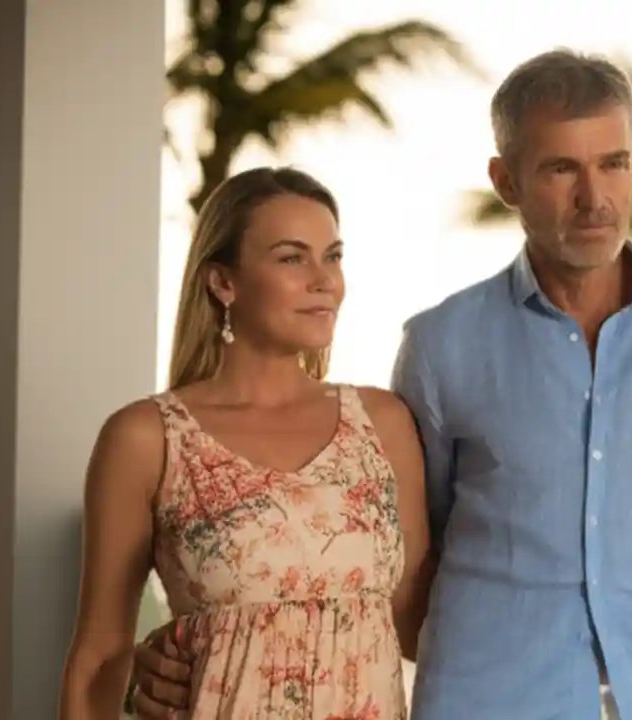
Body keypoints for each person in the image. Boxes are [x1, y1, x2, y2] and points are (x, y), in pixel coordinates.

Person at [129, 48, 632, 720]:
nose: (595, 198)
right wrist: (202, 644)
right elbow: (399, 556)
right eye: (561, 169)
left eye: (615, 163)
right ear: (507, 181)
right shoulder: (441, 346)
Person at [59, 167, 432, 719]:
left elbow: (420, 625)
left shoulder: (383, 423)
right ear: (222, 282)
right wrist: (145, 669)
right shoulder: (147, 438)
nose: (324, 280)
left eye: (332, 256)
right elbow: (99, 655)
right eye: (291, 258)